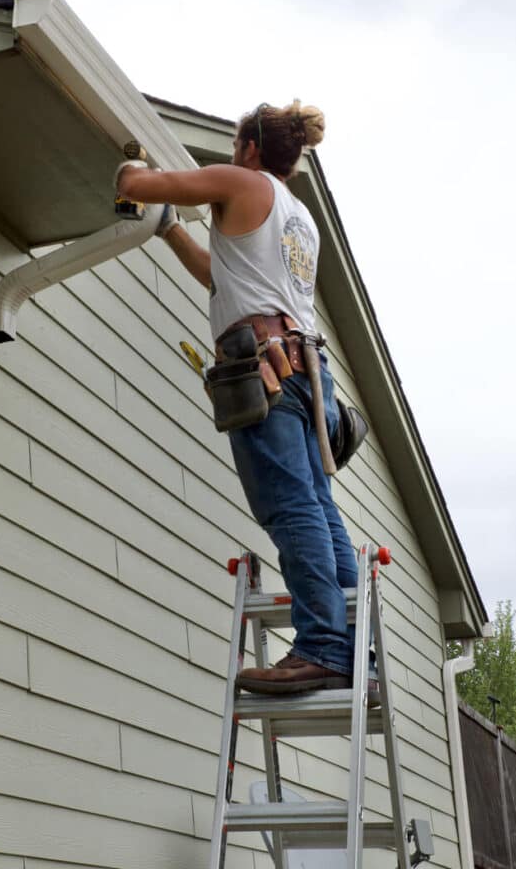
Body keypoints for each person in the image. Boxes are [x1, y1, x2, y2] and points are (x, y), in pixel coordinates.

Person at [116, 100, 374, 698]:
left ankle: (323, 649)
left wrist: (131, 172)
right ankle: (348, 641)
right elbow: (223, 276)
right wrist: (173, 229)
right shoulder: (296, 217)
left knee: (291, 509)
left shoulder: (239, 181)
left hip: (266, 367)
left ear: (249, 147)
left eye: (235, 145)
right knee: (314, 502)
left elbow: (141, 183)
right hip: (307, 367)